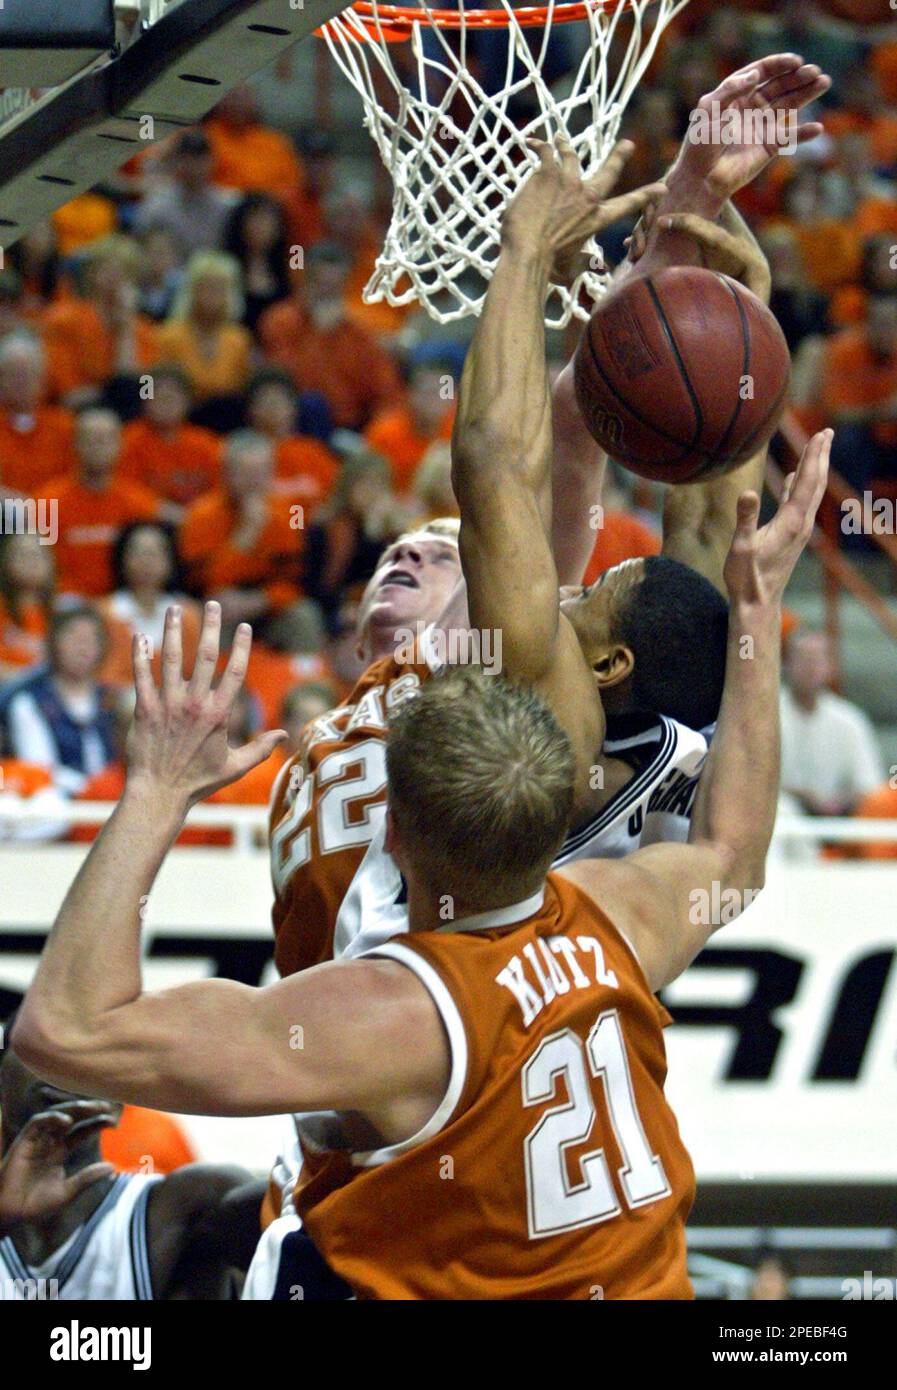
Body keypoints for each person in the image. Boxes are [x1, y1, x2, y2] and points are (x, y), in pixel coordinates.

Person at [13, 438, 826, 1297]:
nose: (417, 558)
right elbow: (732, 853)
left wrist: (153, 791)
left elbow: (63, 1029)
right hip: (625, 1269)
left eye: (451, 557)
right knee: (223, 1212)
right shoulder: (615, 919)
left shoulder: (386, 1018)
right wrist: (756, 609)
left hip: (403, 1095)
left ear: (390, 830)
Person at [269, 53, 830, 978]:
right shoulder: (640, 735)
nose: (410, 555)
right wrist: (699, 221)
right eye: (403, 547)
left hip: (408, 1050)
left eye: (444, 555)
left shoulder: (507, 685)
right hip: (398, 1055)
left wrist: (524, 250)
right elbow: (687, 493)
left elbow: (545, 448)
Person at [0, 1022, 257, 1300]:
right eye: (40, 1044)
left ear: (120, 1100)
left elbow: (295, 1235)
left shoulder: (192, 1202)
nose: (60, 1065)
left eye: (85, 1052)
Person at [258, 242, 404, 432]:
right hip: (290, 423)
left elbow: (386, 393)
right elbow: (281, 379)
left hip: (349, 428)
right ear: (305, 280)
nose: (326, 293)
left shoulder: (361, 333)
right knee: (312, 405)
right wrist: (318, 330)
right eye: (320, 284)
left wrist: (379, 434)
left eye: (333, 286)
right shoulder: (279, 321)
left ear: (345, 286)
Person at [179, 430, 305, 643]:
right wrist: (246, 534)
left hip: (267, 601)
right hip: (219, 604)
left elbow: (297, 577)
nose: (253, 482)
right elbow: (203, 583)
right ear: (226, 474)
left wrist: (263, 600)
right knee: (213, 618)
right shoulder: (200, 514)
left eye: (260, 473)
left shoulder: (293, 512)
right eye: (245, 473)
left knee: (304, 616)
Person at [36, 407, 158, 598]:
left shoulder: (139, 502)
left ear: (120, 445)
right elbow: (41, 566)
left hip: (125, 602)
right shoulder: (47, 501)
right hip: (66, 602)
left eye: (105, 439)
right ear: (74, 444)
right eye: (89, 439)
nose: (97, 446)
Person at [1, 606, 116, 797]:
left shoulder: (111, 701)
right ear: (53, 643)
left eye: (90, 639)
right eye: (73, 637)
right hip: (57, 804)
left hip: (112, 798)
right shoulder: (30, 701)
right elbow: (40, 768)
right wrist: (94, 789)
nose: (82, 647)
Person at [41, 236, 159, 408]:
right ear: (91, 275)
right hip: (79, 409)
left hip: (128, 411)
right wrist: (111, 392)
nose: (115, 279)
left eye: (124, 272)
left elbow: (144, 391)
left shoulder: (143, 329)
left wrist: (125, 331)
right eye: (108, 270)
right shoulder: (64, 319)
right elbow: (68, 393)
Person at [780, 628, 883, 817]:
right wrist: (803, 796)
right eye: (803, 659)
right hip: (779, 822)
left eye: (817, 660)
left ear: (831, 667)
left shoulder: (850, 719)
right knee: (783, 810)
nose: (810, 668)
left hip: (838, 822)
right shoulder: (766, 716)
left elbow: (869, 784)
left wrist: (840, 801)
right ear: (786, 664)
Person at [98, 521, 202, 689]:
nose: (146, 560)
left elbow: (198, 678)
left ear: (170, 560)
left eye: (155, 552)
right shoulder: (102, 614)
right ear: (122, 558)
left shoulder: (189, 616)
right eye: (138, 552)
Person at [156, 252, 252, 429]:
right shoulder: (169, 335)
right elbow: (150, 382)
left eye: (219, 288)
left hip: (226, 419)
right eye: (205, 287)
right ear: (191, 291)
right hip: (180, 417)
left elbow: (242, 390)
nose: (212, 294)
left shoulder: (239, 339)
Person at [118, 364, 222, 516]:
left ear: (188, 402)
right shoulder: (128, 440)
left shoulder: (205, 442)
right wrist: (160, 509)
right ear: (145, 402)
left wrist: (199, 513)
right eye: (157, 396)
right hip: (146, 520)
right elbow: (122, 489)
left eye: (172, 396)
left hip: (197, 518)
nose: (165, 402)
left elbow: (221, 488)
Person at [133, 128, 236, 258]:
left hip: (214, 273)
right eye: (187, 158)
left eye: (199, 158)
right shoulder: (156, 204)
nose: (193, 166)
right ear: (177, 161)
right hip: (169, 273)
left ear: (212, 161)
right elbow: (140, 248)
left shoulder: (229, 204)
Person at [365, 361, 456, 495]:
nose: (434, 401)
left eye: (443, 393)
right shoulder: (384, 434)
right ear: (410, 394)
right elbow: (369, 485)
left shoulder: (461, 432)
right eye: (428, 392)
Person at [0, 333, 75, 497]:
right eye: (14, 374)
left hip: (53, 516)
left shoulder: (65, 426)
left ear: (43, 378)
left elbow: (74, 483)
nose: (22, 381)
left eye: (28, 373)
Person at [222, 192, 292, 332]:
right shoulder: (224, 263)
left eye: (268, 220)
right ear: (241, 224)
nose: (262, 227)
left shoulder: (293, 259)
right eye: (256, 219)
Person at [0, 532, 55, 678]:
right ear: (6, 562)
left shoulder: (64, 610)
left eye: (36, 555)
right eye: (22, 555)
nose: (30, 562)